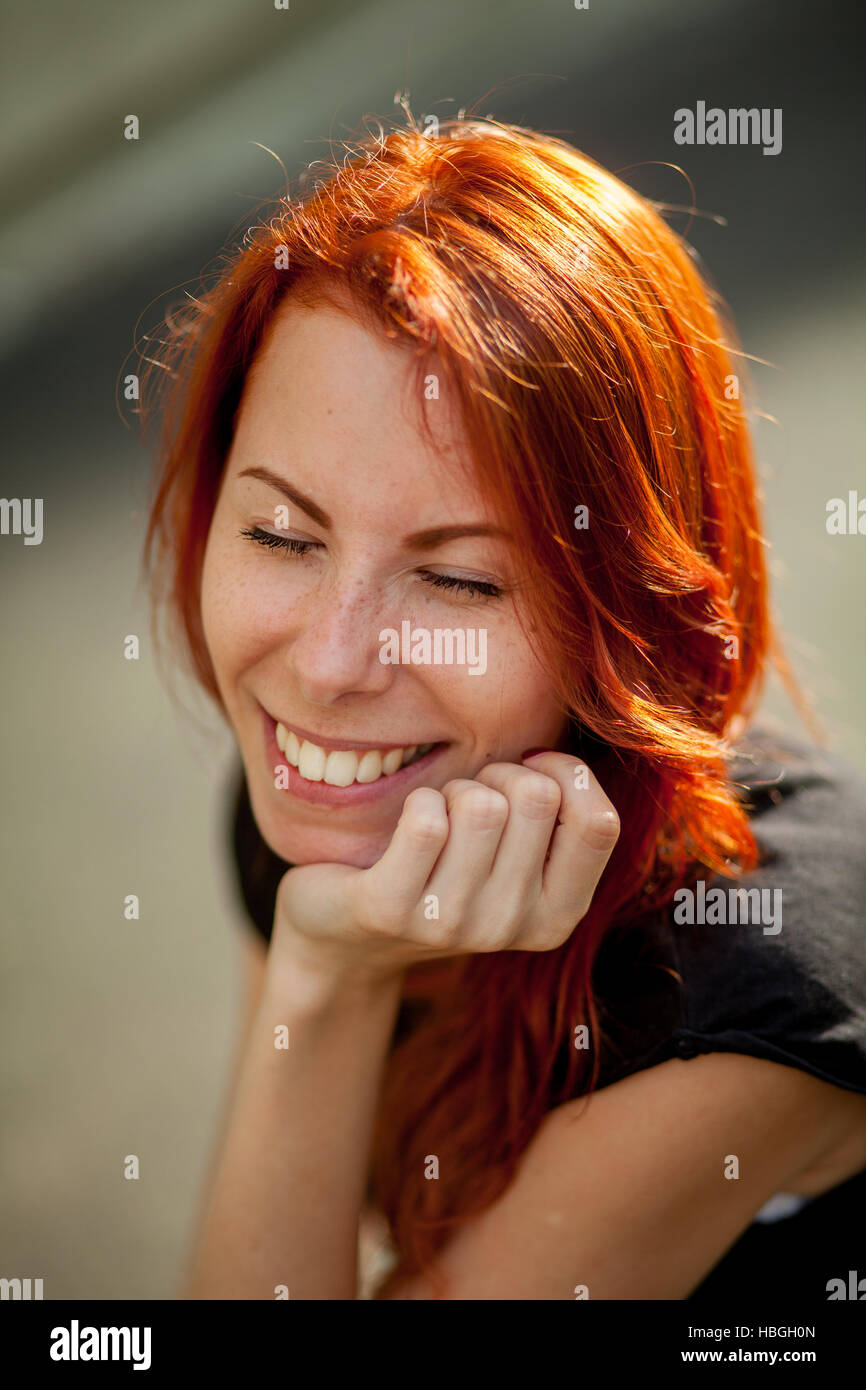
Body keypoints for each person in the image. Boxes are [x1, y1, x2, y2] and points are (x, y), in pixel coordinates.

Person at [140, 118, 866, 1300]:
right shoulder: (334, 795)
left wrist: (322, 987)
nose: (326, 668)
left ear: (626, 613)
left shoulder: (752, 985)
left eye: (461, 578)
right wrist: (331, 959)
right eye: (281, 533)